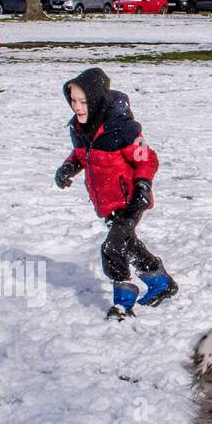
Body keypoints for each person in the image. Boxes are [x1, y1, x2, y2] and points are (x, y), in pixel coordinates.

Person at [55, 67, 177, 319]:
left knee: (112, 247)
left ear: (97, 99)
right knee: (128, 244)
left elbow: (147, 159)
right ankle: (161, 282)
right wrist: (68, 167)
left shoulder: (122, 128)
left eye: (83, 101)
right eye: (73, 101)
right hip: (106, 202)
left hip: (130, 200)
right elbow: (81, 155)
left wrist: (143, 186)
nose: (77, 107)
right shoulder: (80, 129)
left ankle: (123, 302)